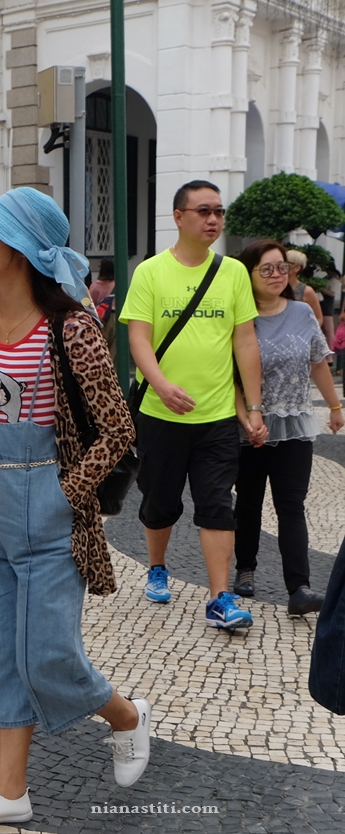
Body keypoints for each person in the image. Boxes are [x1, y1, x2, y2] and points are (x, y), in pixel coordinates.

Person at [0, 186, 151, 834]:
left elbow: (117, 429)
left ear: (25, 249)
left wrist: (63, 491)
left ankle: (127, 718)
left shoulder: (71, 327)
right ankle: (10, 790)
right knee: (0, 652)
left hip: (49, 503)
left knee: (48, 655)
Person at [120, 179, 264, 630]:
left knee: (218, 503)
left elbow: (245, 343)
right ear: (178, 217)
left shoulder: (233, 273)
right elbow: (138, 338)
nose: (214, 219)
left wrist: (253, 408)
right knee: (159, 500)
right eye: (203, 211)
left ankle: (220, 597)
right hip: (160, 414)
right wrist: (160, 384)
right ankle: (158, 565)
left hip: (218, 416)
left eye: (219, 211)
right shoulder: (150, 273)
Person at [232, 240, 343, 615]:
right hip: (249, 426)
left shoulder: (300, 313)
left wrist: (334, 405)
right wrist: (247, 417)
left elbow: (317, 362)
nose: (277, 275)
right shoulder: (238, 316)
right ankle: (245, 569)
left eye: (282, 267)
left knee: (291, 505)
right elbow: (228, 376)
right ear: (248, 273)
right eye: (267, 269)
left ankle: (299, 587)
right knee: (247, 504)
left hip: (294, 423)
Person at [286, 249, 324, 327]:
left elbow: (318, 318)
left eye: (286, 263)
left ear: (297, 268)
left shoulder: (306, 291)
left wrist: (306, 333)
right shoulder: (276, 287)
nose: (281, 266)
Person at [88, 256, 117, 359]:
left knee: (100, 349)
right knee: (113, 351)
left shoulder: (94, 286)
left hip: (99, 320)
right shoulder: (117, 285)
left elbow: (90, 304)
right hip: (114, 318)